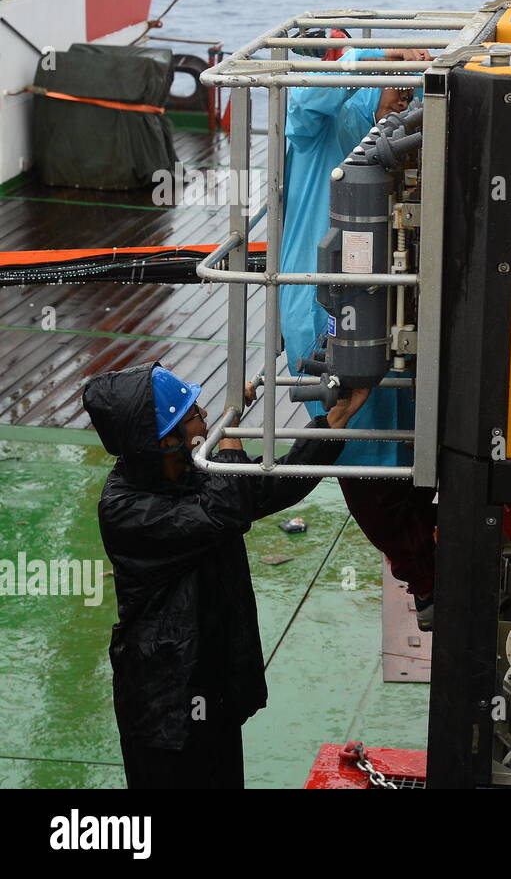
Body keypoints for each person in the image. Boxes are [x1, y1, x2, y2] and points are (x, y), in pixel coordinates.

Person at [82, 362, 370, 789]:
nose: (205, 417)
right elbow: (225, 508)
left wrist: (331, 424)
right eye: (194, 413)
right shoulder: (126, 510)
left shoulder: (188, 471)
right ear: (165, 440)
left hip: (211, 680)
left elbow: (264, 490)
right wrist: (231, 438)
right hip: (168, 703)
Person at [283, 46, 439, 626]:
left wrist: (423, 77)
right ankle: (423, 577)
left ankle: (437, 553)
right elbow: (306, 98)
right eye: (390, 87)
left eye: (404, 90)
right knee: (365, 452)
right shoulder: (321, 134)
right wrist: (371, 56)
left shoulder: (393, 132)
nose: (400, 99)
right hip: (324, 313)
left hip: (392, 309)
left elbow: (429, 107)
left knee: (410, 436)